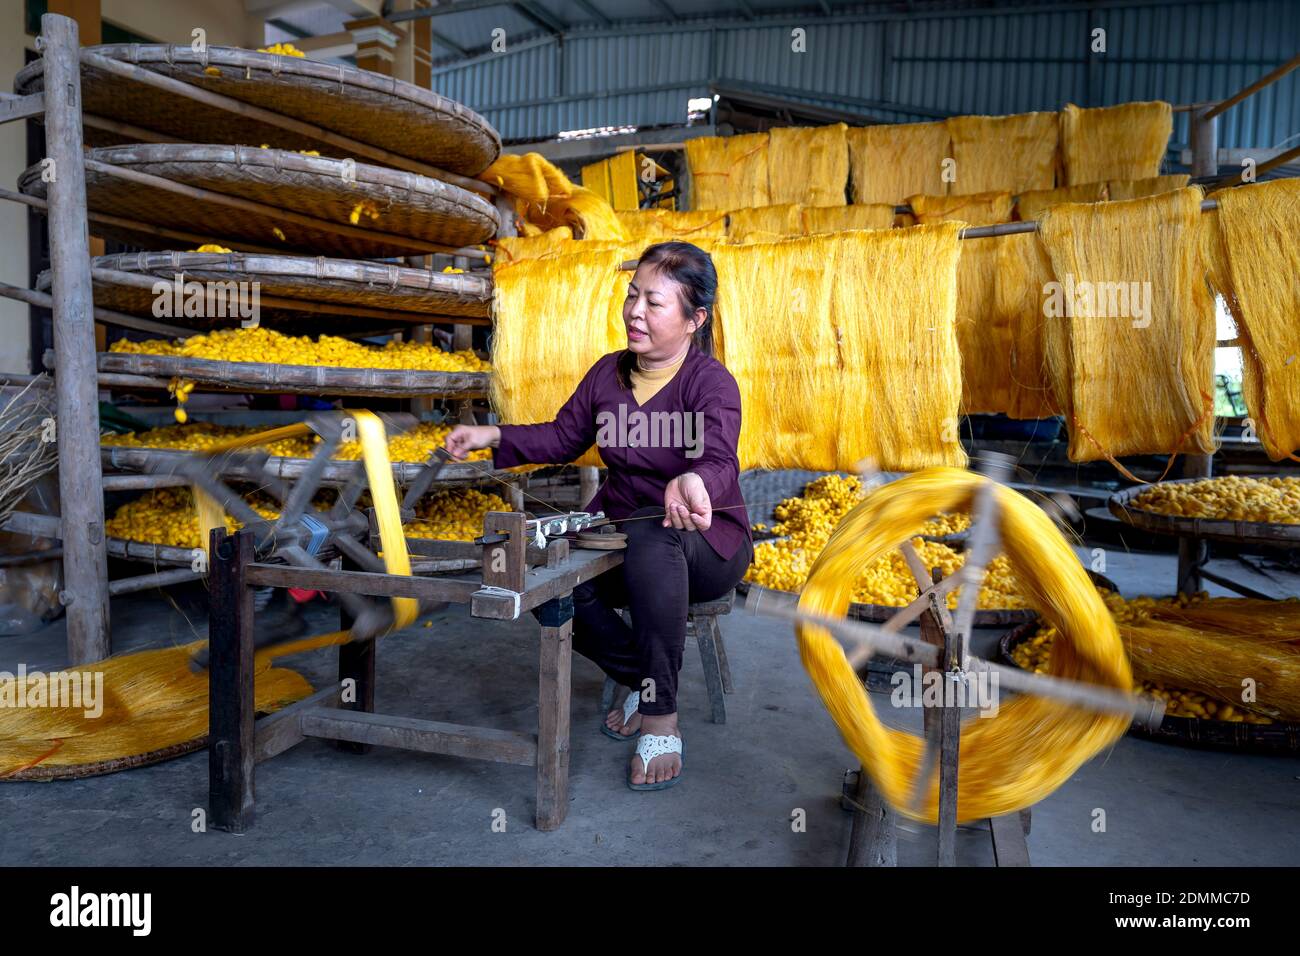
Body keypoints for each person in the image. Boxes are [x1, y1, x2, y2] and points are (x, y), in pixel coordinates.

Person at [445, 241, 752, 791]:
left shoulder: (709, 383)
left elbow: (719, 457)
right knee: (544, 568)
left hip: (705, 541)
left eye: (654, 303)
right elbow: (563, 436)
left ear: (694, 319)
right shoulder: (608, 375)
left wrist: (695, 481)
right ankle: (645, 678)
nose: (634, 312)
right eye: (632, 296)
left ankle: (661, 719)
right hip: (625, 531)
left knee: (653, 537)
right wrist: (491, 434)